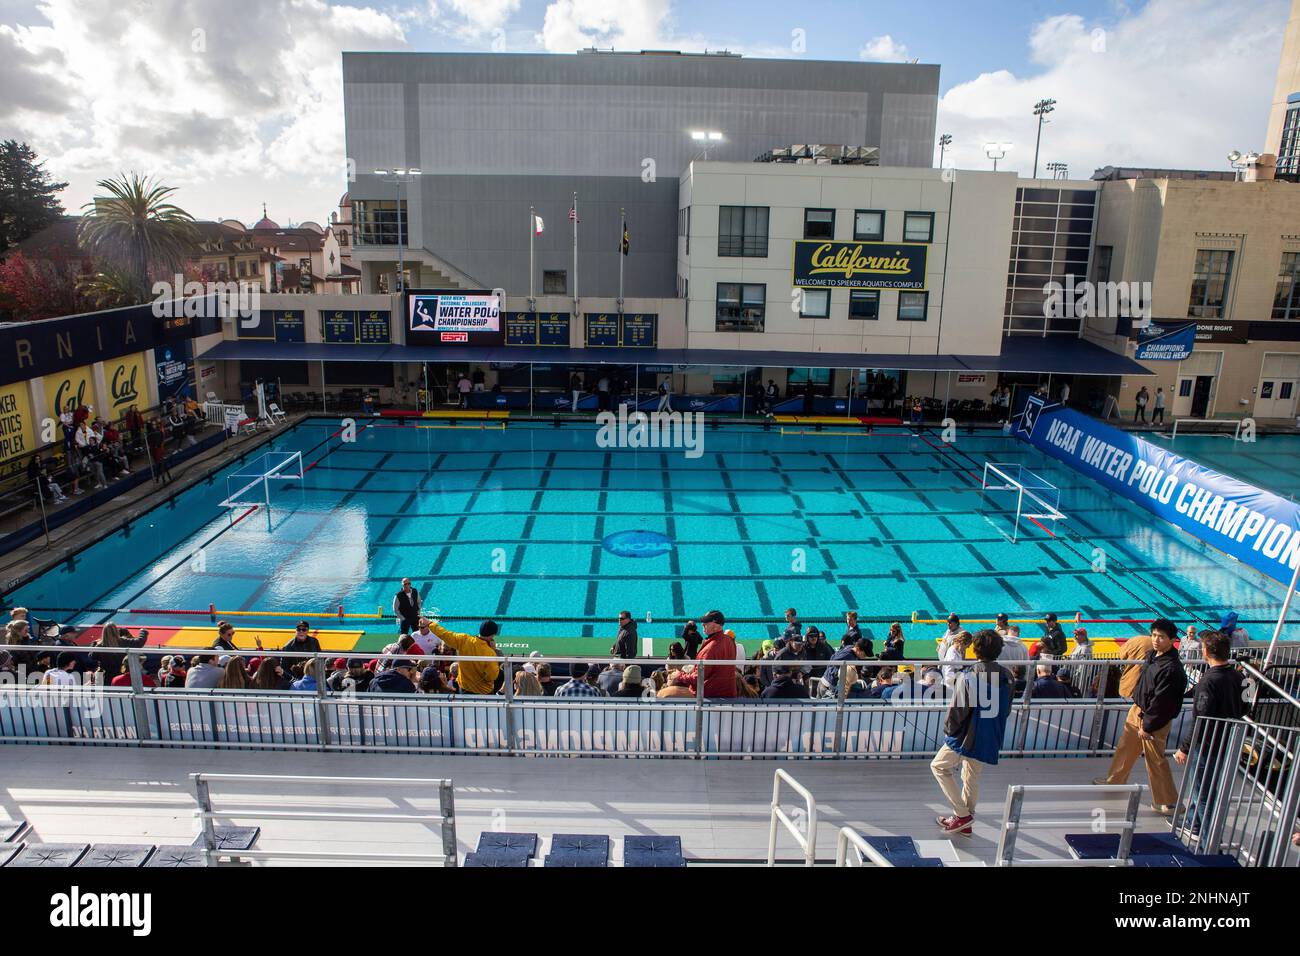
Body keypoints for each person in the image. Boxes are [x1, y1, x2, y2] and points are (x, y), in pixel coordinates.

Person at [1095, 619, 1187, 813]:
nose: (1156, 640)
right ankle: (1115, 781)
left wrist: (1148, 725)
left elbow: (1163, 702)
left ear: (1172, 640)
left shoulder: (1171, 668)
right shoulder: (1153, 655)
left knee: (1155, 759)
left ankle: (1168, 801)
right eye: (1154, 635)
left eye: (1161, 637)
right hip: (1138, 709)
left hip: (1154, 719)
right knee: (1125, 748)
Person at [931, 629, 1012, 836]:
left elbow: (957, 710)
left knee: (939, 767)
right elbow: (1007, 709)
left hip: (967, 735)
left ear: (975, 649)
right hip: (990, 735)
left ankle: (962, 814)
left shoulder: (969, 675)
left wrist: (949, 731)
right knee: (971, 777)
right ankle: (965, 822)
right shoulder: (1007, 676)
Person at [1174, 630, 1248, 836]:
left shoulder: (1207, 681)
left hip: (1207, 744)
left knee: (1202, 793)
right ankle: (1192, 821)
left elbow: (1200, 718)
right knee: (1209, 788)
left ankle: (1208, 840)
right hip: (1227, 740)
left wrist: (1185, 748)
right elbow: (1246, 707)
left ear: (1205, 652)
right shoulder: (1238, 676)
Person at [427, 618, 502, 695]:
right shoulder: (490, 652)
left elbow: (445, 634)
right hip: (483, 693)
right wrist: (493, 651)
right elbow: (492, 676)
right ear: (493, 635)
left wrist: (430, 624)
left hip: (463, 689)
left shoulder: (464, 640)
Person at [691, 610, 737, 698]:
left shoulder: (711, 647)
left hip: (710, 697)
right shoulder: (729, 640)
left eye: (706, 622)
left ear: (716, 626)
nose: (702, 624)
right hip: (728, 694)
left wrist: (679, 676)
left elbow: (698, 677)